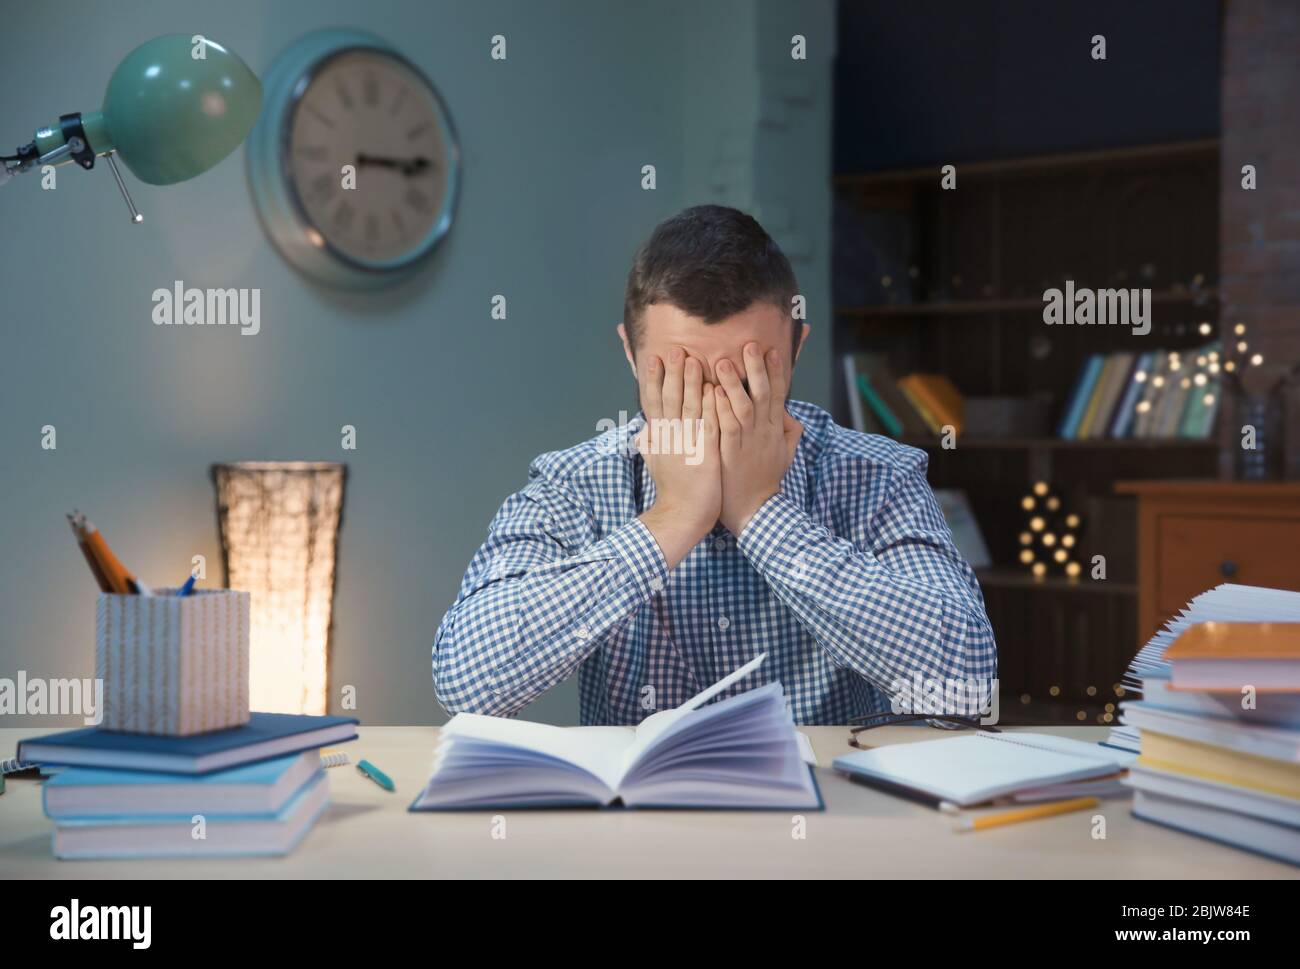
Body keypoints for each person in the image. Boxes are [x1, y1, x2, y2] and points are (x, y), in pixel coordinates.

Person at [433, 204, 996, 724]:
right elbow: (467, 681)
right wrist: (673, 518)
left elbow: (969, 683)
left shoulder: (876, 476)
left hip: (830, 819)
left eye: (745, 378)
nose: (715, 406)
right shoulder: (575, 484)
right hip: (638, 823)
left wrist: (761, 512)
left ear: (796, 351)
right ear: (631, 355)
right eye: (682, 378)